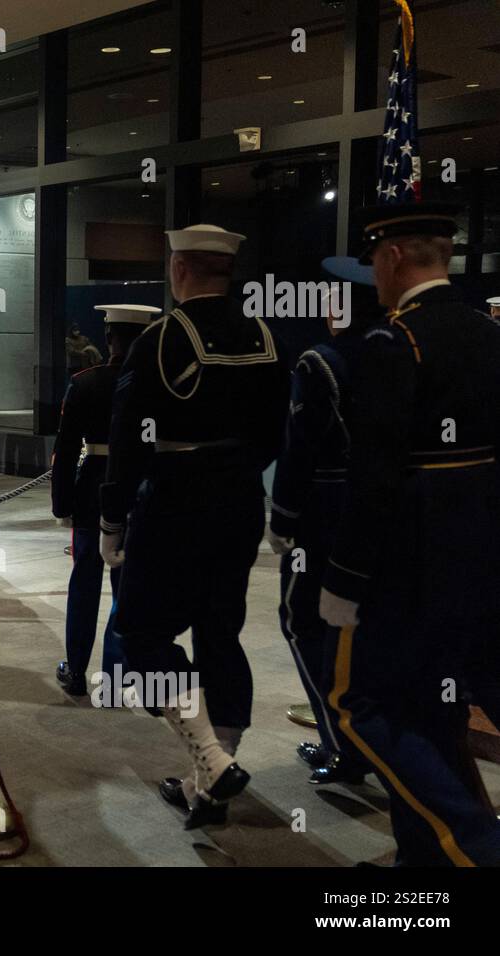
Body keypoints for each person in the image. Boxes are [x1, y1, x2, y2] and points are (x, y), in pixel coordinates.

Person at [317, 202, 500, 865]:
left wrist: (344, 581)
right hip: (482, 555)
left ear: (392, 257)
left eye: (373, 260)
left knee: (356, 704)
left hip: (412, 567)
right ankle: (426, 858)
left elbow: (376, 478)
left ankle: (476, 845)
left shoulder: (394, 342)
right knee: (439, 704)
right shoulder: (488, 332)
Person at [99, 224, 288, 829]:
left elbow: (127, 442)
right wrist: (234, 473)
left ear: (179, 268)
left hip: (175, 504)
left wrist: (111, 518)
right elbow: (274, 433)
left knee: (137, 637)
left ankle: (208, 755)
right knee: (219, 634)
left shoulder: (161, 339)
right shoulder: (263, 335)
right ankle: (208, 787)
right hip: (238, 504)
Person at [267, 259, 379, 787]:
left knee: (302, 619)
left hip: (326, 510)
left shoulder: (320, 362)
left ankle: (344, 744)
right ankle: (374, 740)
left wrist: (282, 518)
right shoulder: (397, 352)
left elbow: (300, 450)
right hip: (388, 508)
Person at [51, 304, 159, 698]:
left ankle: (77, 670)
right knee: (125, 586)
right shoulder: (154, 386)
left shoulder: (85, 383)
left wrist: (62, 504)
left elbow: (64, 451)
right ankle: (115, 676)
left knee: (84, 582)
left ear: (109, 337)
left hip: (92, 492)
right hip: (138, 494)